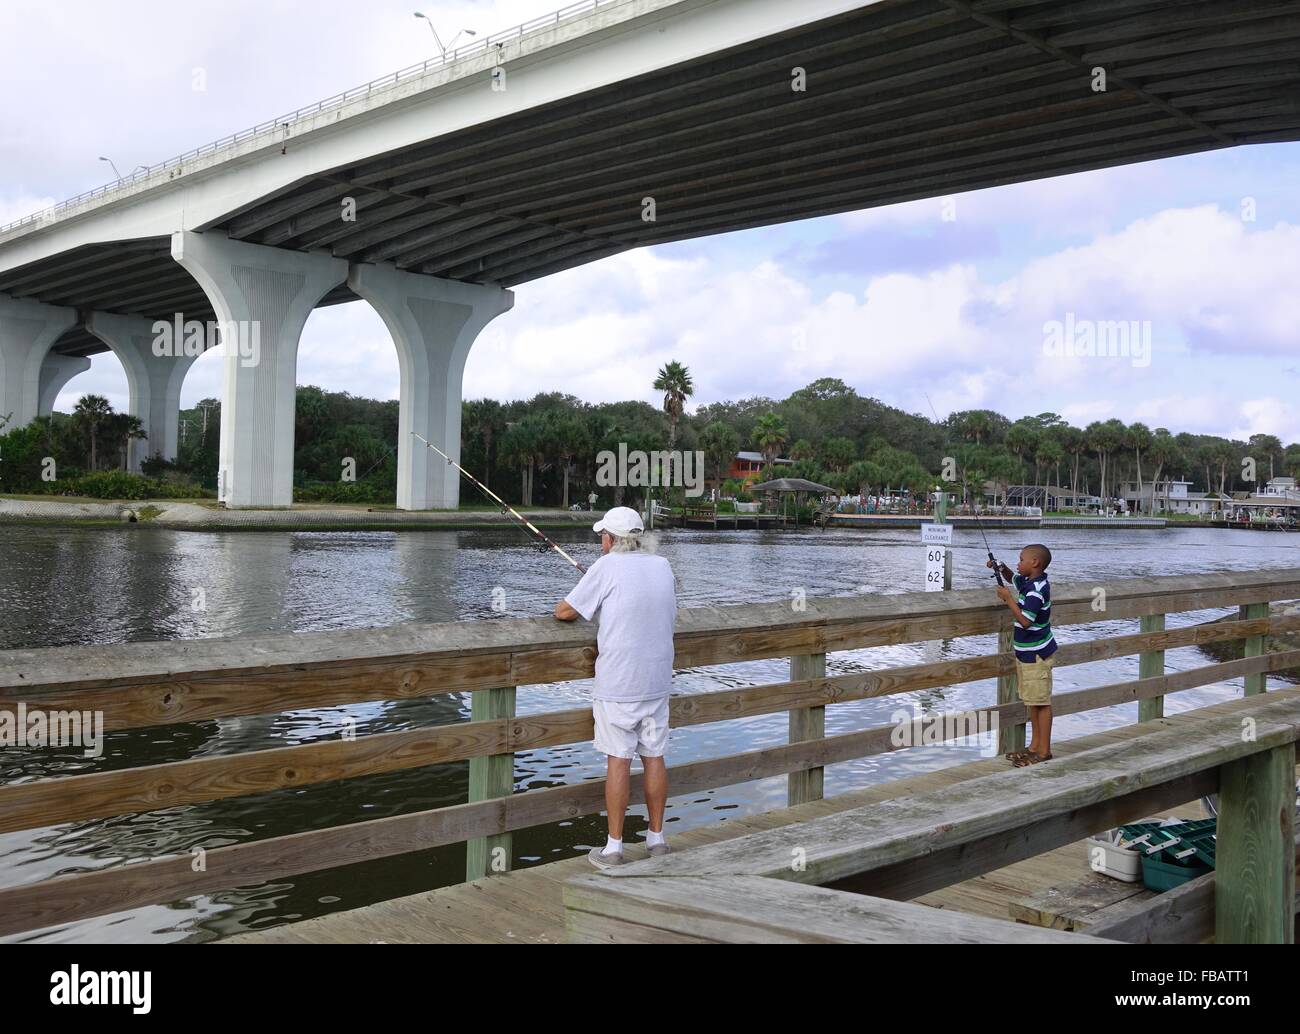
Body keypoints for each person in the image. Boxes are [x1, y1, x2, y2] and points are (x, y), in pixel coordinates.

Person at [554, 506, 677, 868]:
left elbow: (564, 611)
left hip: (618, 684)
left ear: (609, 539)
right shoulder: (662, 565)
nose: (600, 544)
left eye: (601, 538)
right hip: (656, 681)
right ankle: (656, 839)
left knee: (619, 759)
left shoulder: (605, 566)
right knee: (654, 756)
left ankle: (614, 847)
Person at [988, 543, 1057, 766]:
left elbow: (1026, 621)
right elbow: (1012, 578)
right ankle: (1034, 747)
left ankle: (1044, 751)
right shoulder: (1029, 582)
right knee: (1033, 701)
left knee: (1041, 703)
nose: (1018, 564)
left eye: (1021, 560)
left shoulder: (1037, 590)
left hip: (1037, 654)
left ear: (1034, 563)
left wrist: (1008, 599)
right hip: (1028, 654)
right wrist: (1001, 567)